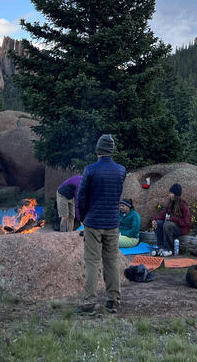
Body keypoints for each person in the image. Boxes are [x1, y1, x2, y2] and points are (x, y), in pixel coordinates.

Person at [75, 134, 126, 315]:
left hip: (93, 222)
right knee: (112, 261)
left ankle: (88, 303)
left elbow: (82, 196)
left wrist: (82, 216)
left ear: (98, 150)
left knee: (91, 262)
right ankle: (113, 301)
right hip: (112, 222)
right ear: (111, 151)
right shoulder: (121, 170)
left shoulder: (90, 170)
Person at [151, 183, 191, 256]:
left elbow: (187, 222)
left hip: (180, 229)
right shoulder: (170, 203)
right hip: (170, 225)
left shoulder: (183, 205)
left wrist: (173, 219)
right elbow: (163, 214)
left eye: (171, 193)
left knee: (167, 224)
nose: (169, 195)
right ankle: (161, 247)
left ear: (176, 194)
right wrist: (154, 220)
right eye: (169, 193)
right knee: (158, 223)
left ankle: (168, 249)